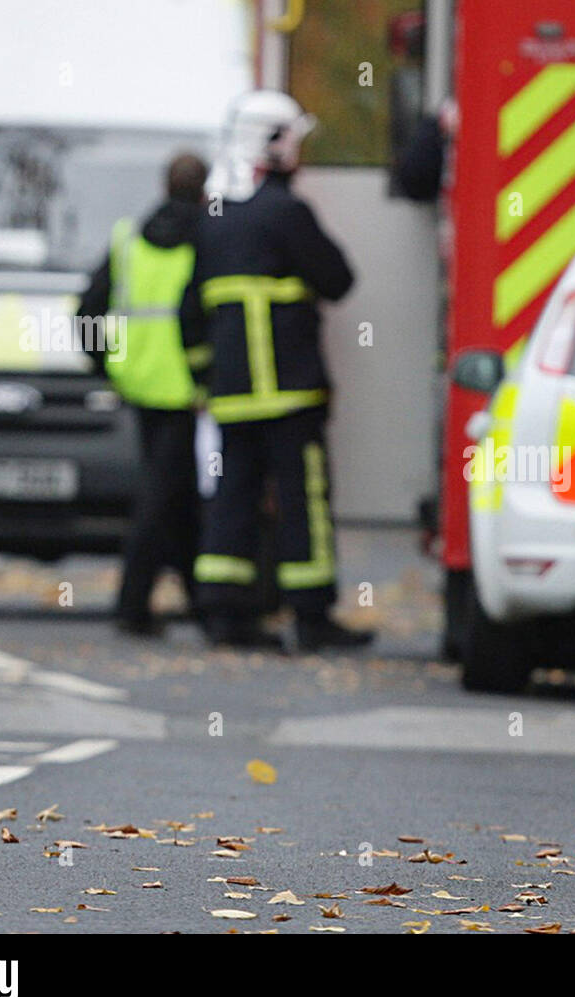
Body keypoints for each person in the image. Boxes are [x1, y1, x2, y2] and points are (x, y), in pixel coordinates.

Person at [183, 90, 373, 652]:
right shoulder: (287, 214)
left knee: (232, 499)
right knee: (303, 501)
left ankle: (225, 615)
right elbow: (339, 280)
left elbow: (188, 312)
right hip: (289, 396)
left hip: (233, 398)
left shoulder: (213, 219)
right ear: (276, 146)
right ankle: (311, 618)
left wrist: (203, 383)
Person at [77, 152, 210, 635]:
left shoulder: (129, 239)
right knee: (160, 497)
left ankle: (202, 600)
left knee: (175, 493)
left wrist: (105, 364)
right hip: (187, 386)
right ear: (203, 190)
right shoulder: (206, 240)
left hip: (138, 383)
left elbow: (88, 309)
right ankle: (132, 606)